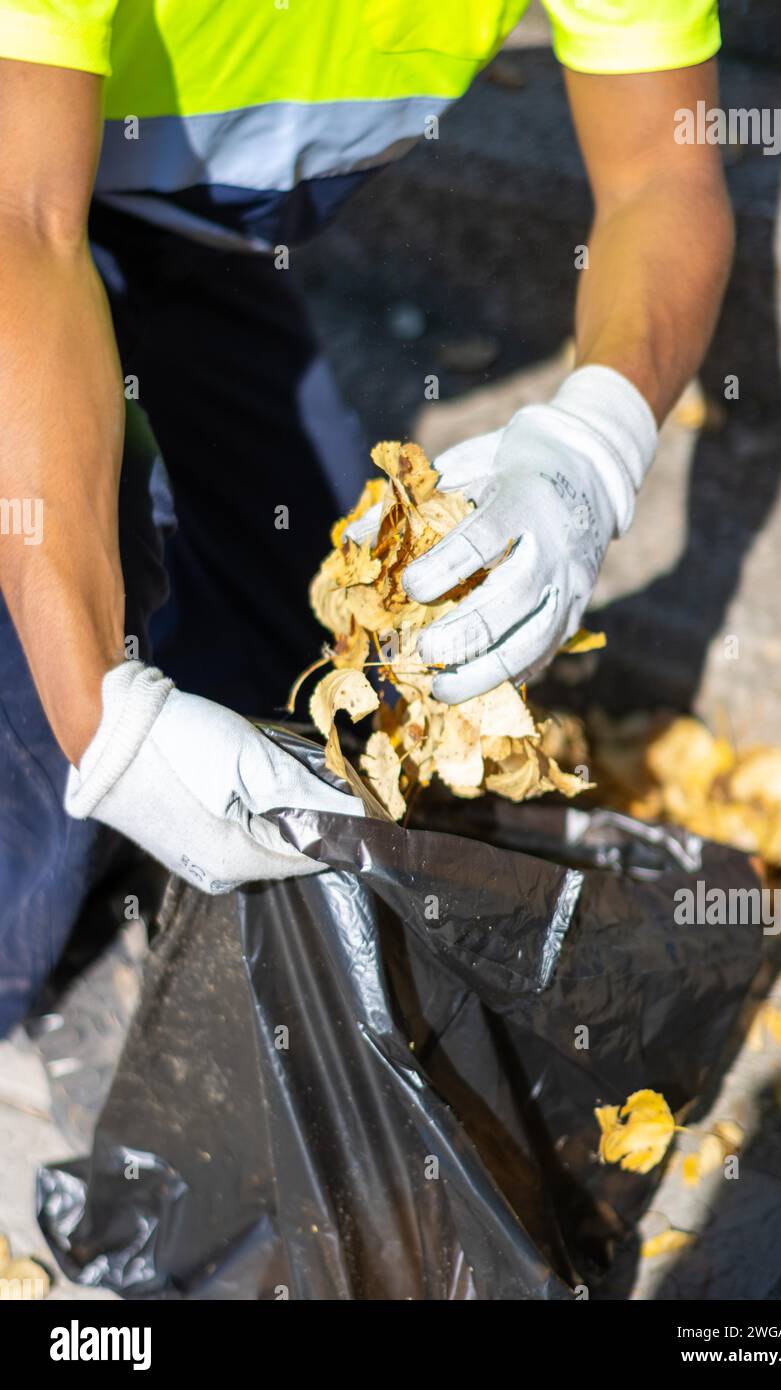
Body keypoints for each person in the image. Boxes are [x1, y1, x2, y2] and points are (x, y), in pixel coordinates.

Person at [0, 1, 733, 1034]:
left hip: (177, 217)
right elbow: (21, 222)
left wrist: (590, 448)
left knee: (302, 648)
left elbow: (664, 172)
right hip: (21, 177)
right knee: (42, 712)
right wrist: (98, 716)